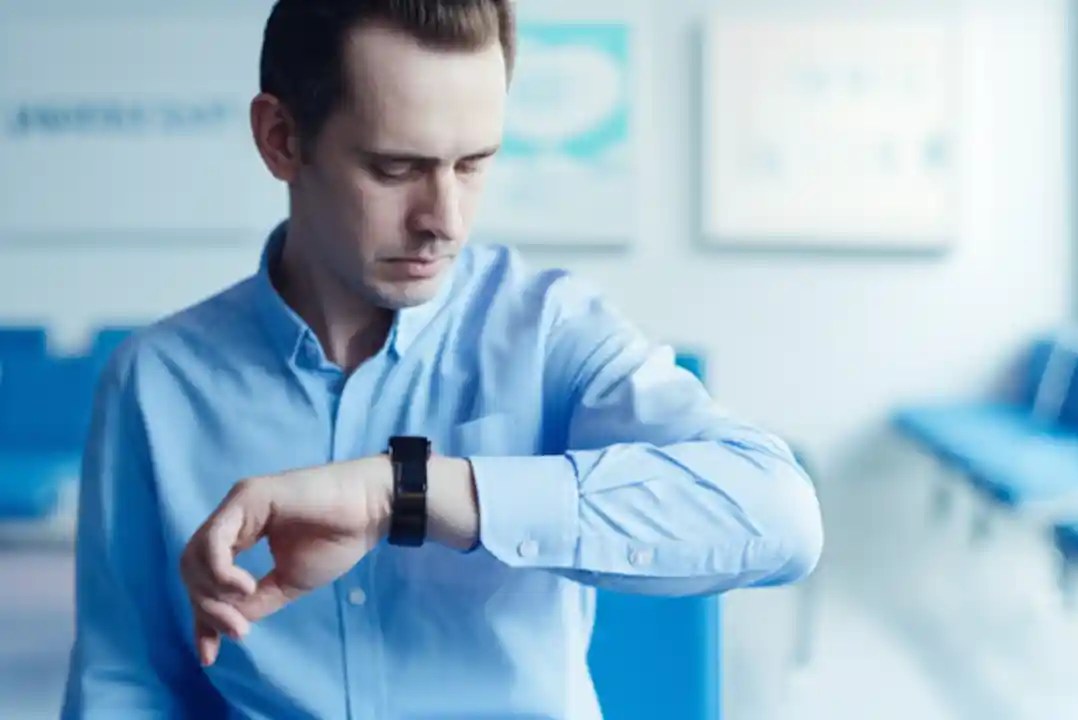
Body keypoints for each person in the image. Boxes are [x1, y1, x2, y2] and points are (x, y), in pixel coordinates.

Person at [61, 1, 823, 717]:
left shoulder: (548, 330)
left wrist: (407, 493)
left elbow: (780, 516)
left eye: (473, 163)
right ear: (281, 140)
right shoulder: (154, 385)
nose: (444, 221)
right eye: (396, 169)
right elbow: (124, 683)